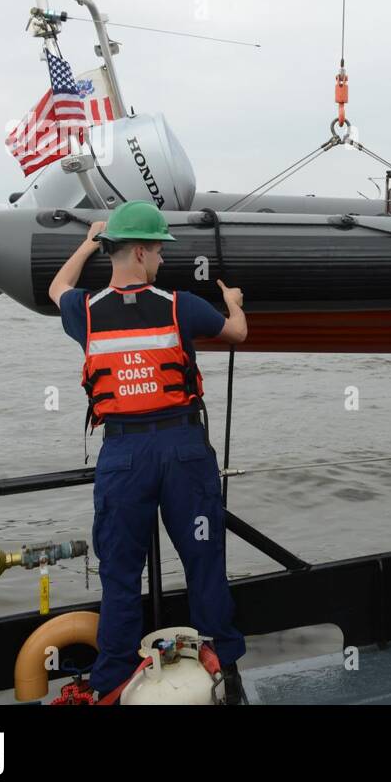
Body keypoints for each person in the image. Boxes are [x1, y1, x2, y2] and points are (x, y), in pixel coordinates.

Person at [48, 201, 249, 702]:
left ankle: (113, 681)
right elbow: (238, 333)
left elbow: (57, 289)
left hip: (122, 457)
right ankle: (223, 665)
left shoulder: (86, 311)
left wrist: (90, 239)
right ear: (140, 251)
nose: (161, 259)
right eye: (158, 250)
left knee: (119, 573)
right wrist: (235, 300)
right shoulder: (182, 305)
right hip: (182, 451)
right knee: (204, 561)